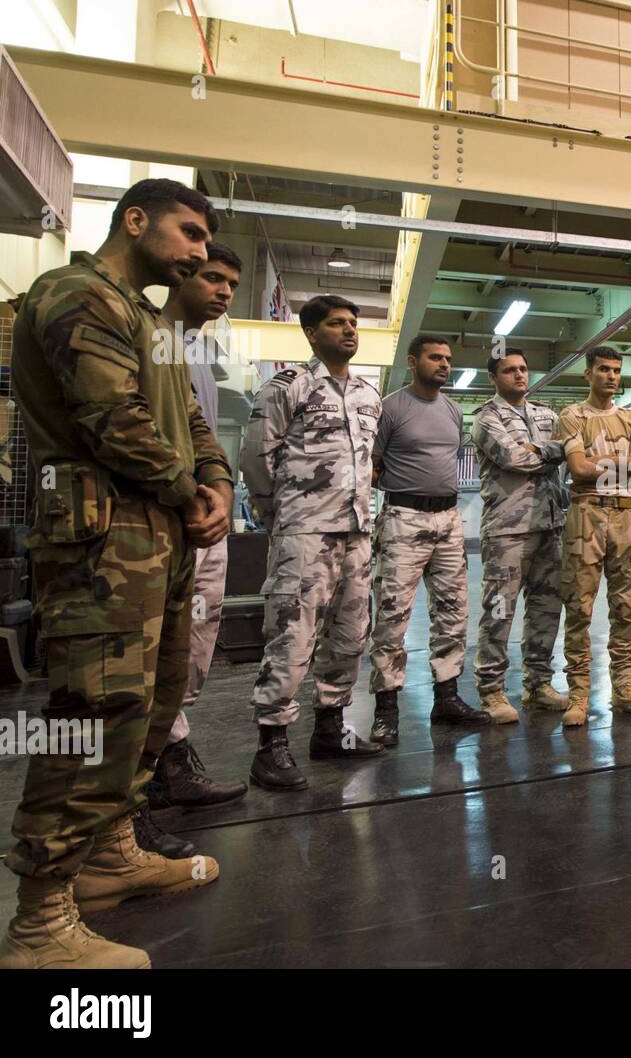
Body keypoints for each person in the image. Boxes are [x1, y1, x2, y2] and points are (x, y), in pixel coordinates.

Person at [3, 178, 229, 969]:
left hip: (157, 530)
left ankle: (108, 857)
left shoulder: (154, 322)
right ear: (135, 221)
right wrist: (187, 487)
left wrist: (220, 483)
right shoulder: (75, 293)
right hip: (105, 530)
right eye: (189, 233)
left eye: (206, 239)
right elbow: (112, 417)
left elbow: (194, 421)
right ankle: (38, 922)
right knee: (94, 710)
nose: (201, 252)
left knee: (152, 703)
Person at [240, 294, 386, 791]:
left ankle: (331, 729)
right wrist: (278, 517)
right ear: (310, 333)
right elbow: (256, 458)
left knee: (350, 635)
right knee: (292, 635)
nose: (348, 331)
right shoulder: (286, 388)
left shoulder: (369, 395)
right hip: (304, 532)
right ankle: (272, 745)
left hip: (357, 534)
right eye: (336, 323)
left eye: (352, 323)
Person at [147, 242, 250, 823]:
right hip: (161, 521)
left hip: (207, 517)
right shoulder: (150, 338)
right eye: (212, 277)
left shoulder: (197, 352)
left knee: (194, 646)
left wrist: (220, 490)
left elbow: (202, 437)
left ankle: (170, 759)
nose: (224, 292)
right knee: (154, 653)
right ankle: (152, 777)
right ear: (181, 272)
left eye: (231, 284)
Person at [369, 335, 489, 739]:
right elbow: (374, 463)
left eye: (448, 358)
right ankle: (387, 708)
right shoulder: (390, 408)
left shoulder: (454, 411)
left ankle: (447, 697)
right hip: (404, 516)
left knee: (453, 611)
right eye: (435, 358)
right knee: (392, 615)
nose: (444, 364)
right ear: (412, 360)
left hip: (449, 518)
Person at [555, 346, 631, 726]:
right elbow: (578, 469)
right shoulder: (573, 416)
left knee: (627, 605)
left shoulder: (630, 417)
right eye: (603, 370)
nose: (611, 377)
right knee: (579, 606)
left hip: (626, 516)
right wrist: (622, 467)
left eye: (616, 371)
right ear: (588, 374)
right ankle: (579, 695)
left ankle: (625, 688)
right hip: (587, 514)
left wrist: (603, 465)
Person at [472, 347, 569, 723]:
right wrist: (552, 453)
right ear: (493, 378)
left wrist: (544, 448)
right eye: (509, 370)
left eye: (523, 369)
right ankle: (492, 691)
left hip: (551, 524)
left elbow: (572, 448)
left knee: (546, 608)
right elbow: (514, 459)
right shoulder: (485, 418)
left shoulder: (547, 413)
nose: (519, 375)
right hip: (507, 531)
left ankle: (538, 684)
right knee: (499, 612)